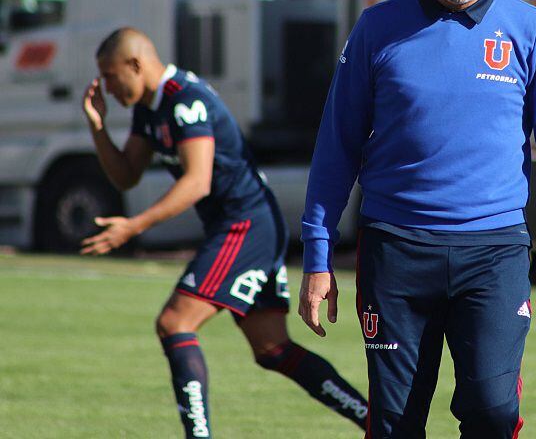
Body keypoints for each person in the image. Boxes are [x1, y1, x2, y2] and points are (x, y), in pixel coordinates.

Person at [297, 0, 536, 438]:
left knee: (493, 412)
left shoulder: (531, 32)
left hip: (494, 253)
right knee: (394, 424)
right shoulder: (377, 29)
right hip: (395, 252)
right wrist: (317, 259)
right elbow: (335, 149)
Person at [81, 27, 368, 438]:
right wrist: (97, 126)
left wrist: (134, 226)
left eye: (110, 76)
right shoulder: (150, 108)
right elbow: (127, 175)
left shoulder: (185, 101)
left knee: (175, 323)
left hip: (245, 224)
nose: (107, 88)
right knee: (273, 350)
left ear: (135, 64)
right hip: (244, 224)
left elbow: (196, 182)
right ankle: (376, 423)